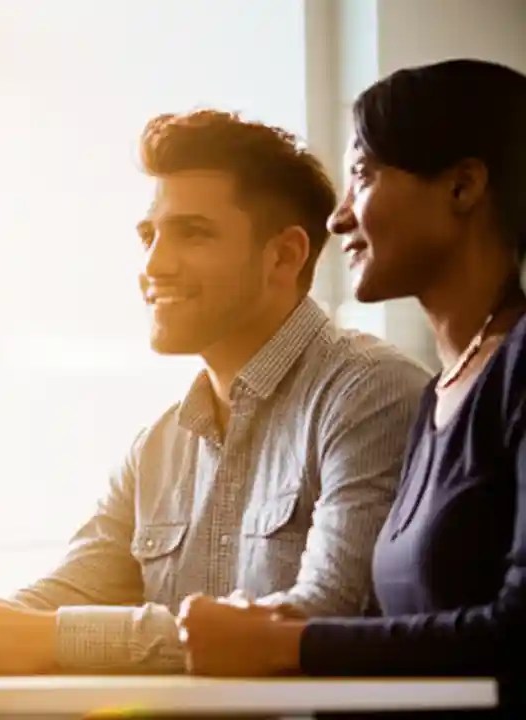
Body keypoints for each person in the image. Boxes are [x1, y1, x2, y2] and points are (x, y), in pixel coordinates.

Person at [0, 110, 431, 674]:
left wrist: (52, 637)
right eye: (148, 234)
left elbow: (321, 617)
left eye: (191, 234)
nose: (154, 264)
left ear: (284, 255)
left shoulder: (369, 392)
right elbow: (61, 596)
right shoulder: (159, 446)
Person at [177, 59, 526, 707]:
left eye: (363, 175)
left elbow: (518, 630)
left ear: (463, 186)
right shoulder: (440, 393)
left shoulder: (517, 368)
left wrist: (285, 645)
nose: (337, 219)